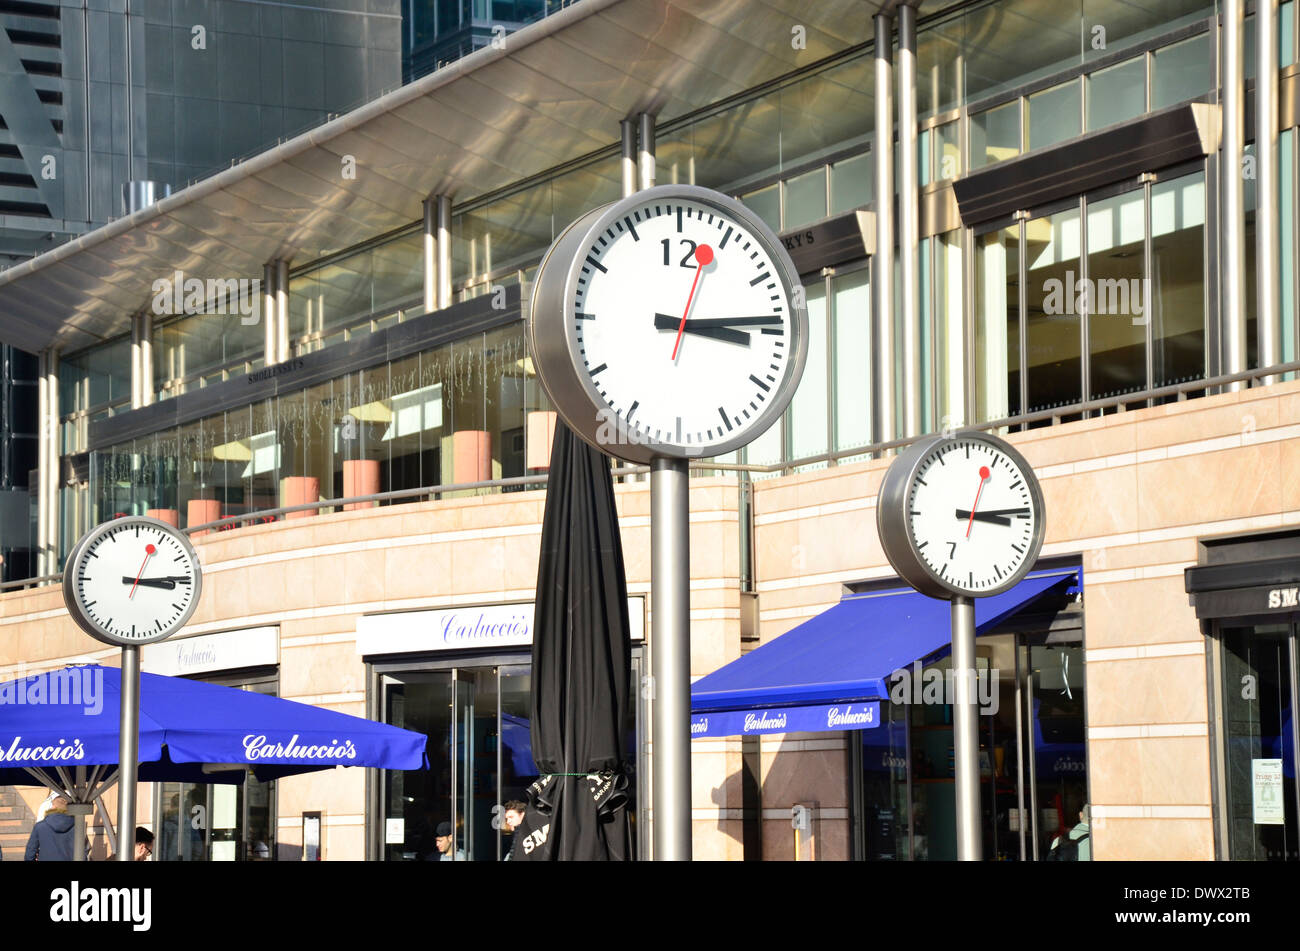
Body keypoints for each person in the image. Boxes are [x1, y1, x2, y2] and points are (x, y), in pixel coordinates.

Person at [24, 796, 80, 861]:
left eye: (52, 805)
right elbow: (83, 851)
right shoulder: (78, 827)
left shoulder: (40, 826)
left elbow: (30, 852)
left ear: (54, 807)